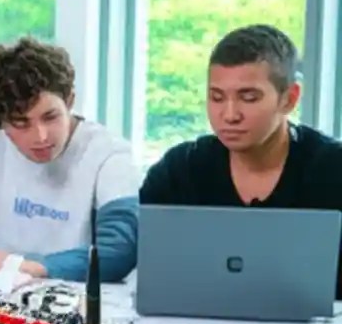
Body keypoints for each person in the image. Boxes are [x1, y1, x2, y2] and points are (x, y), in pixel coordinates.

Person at [0, 37, 140, 282]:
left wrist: (26, 268)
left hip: (82, 298)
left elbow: (118, 252)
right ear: (2, 122)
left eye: (50, 117)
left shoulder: (110, 155)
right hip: (3, 292)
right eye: (21, 124)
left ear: (69, 101)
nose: (40, 136)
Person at [139, 24, 342, 298]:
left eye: (248, 98)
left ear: (289, 99)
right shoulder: (180, 170)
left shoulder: (332, 170)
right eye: (216, 98)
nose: (229, 115)